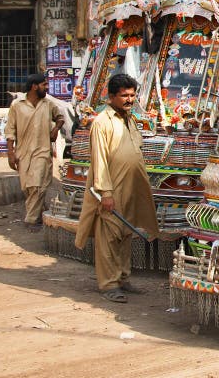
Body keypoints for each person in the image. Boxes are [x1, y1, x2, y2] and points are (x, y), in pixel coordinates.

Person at [74, 73, 159, 303]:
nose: (129, 99)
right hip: (111, 189)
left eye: (132, 95)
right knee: (109, 237)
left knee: (124, 235)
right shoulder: (102, 123)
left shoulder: (129, 119)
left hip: (130, 188)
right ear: (111, 97)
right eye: (124, 96)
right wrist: (106, 193)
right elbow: (100, 160)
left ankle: (122, 277)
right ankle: (109, 284)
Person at [5, 73, 64, 232]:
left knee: (37, 184)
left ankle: (31, 220)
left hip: (42, 151)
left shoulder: (48, 104)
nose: (47, 87)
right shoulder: (17, 105)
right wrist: (11, 154)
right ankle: (36, 213)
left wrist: (56, 129)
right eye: (44, 85)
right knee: (28, 187)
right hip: (23, 153)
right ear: (34, 86)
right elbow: (10, 131)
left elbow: (60, 118)